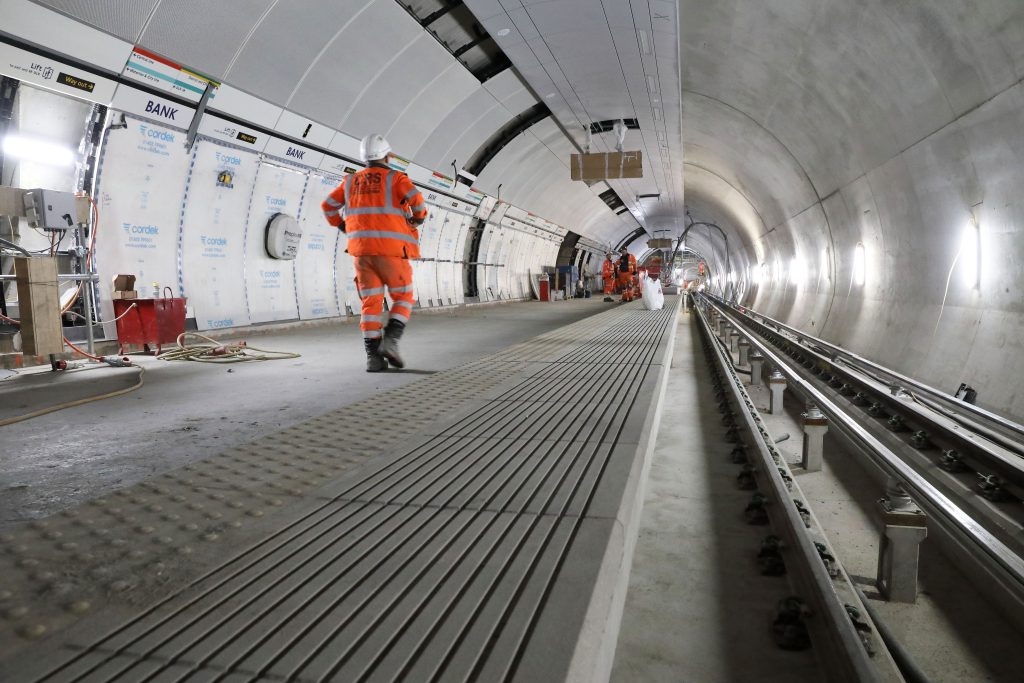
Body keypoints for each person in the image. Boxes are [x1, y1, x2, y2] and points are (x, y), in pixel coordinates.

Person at [321, 133, 427, 372]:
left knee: (371, 304)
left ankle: (373, 358)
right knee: (404, 297)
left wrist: (342, 226)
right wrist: (417, 218)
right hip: (391, 253)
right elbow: (417, 201)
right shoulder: (396, 179)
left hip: (362, 254)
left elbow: (327, 206)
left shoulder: (349, 182)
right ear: (387, 156)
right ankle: (390, 342)